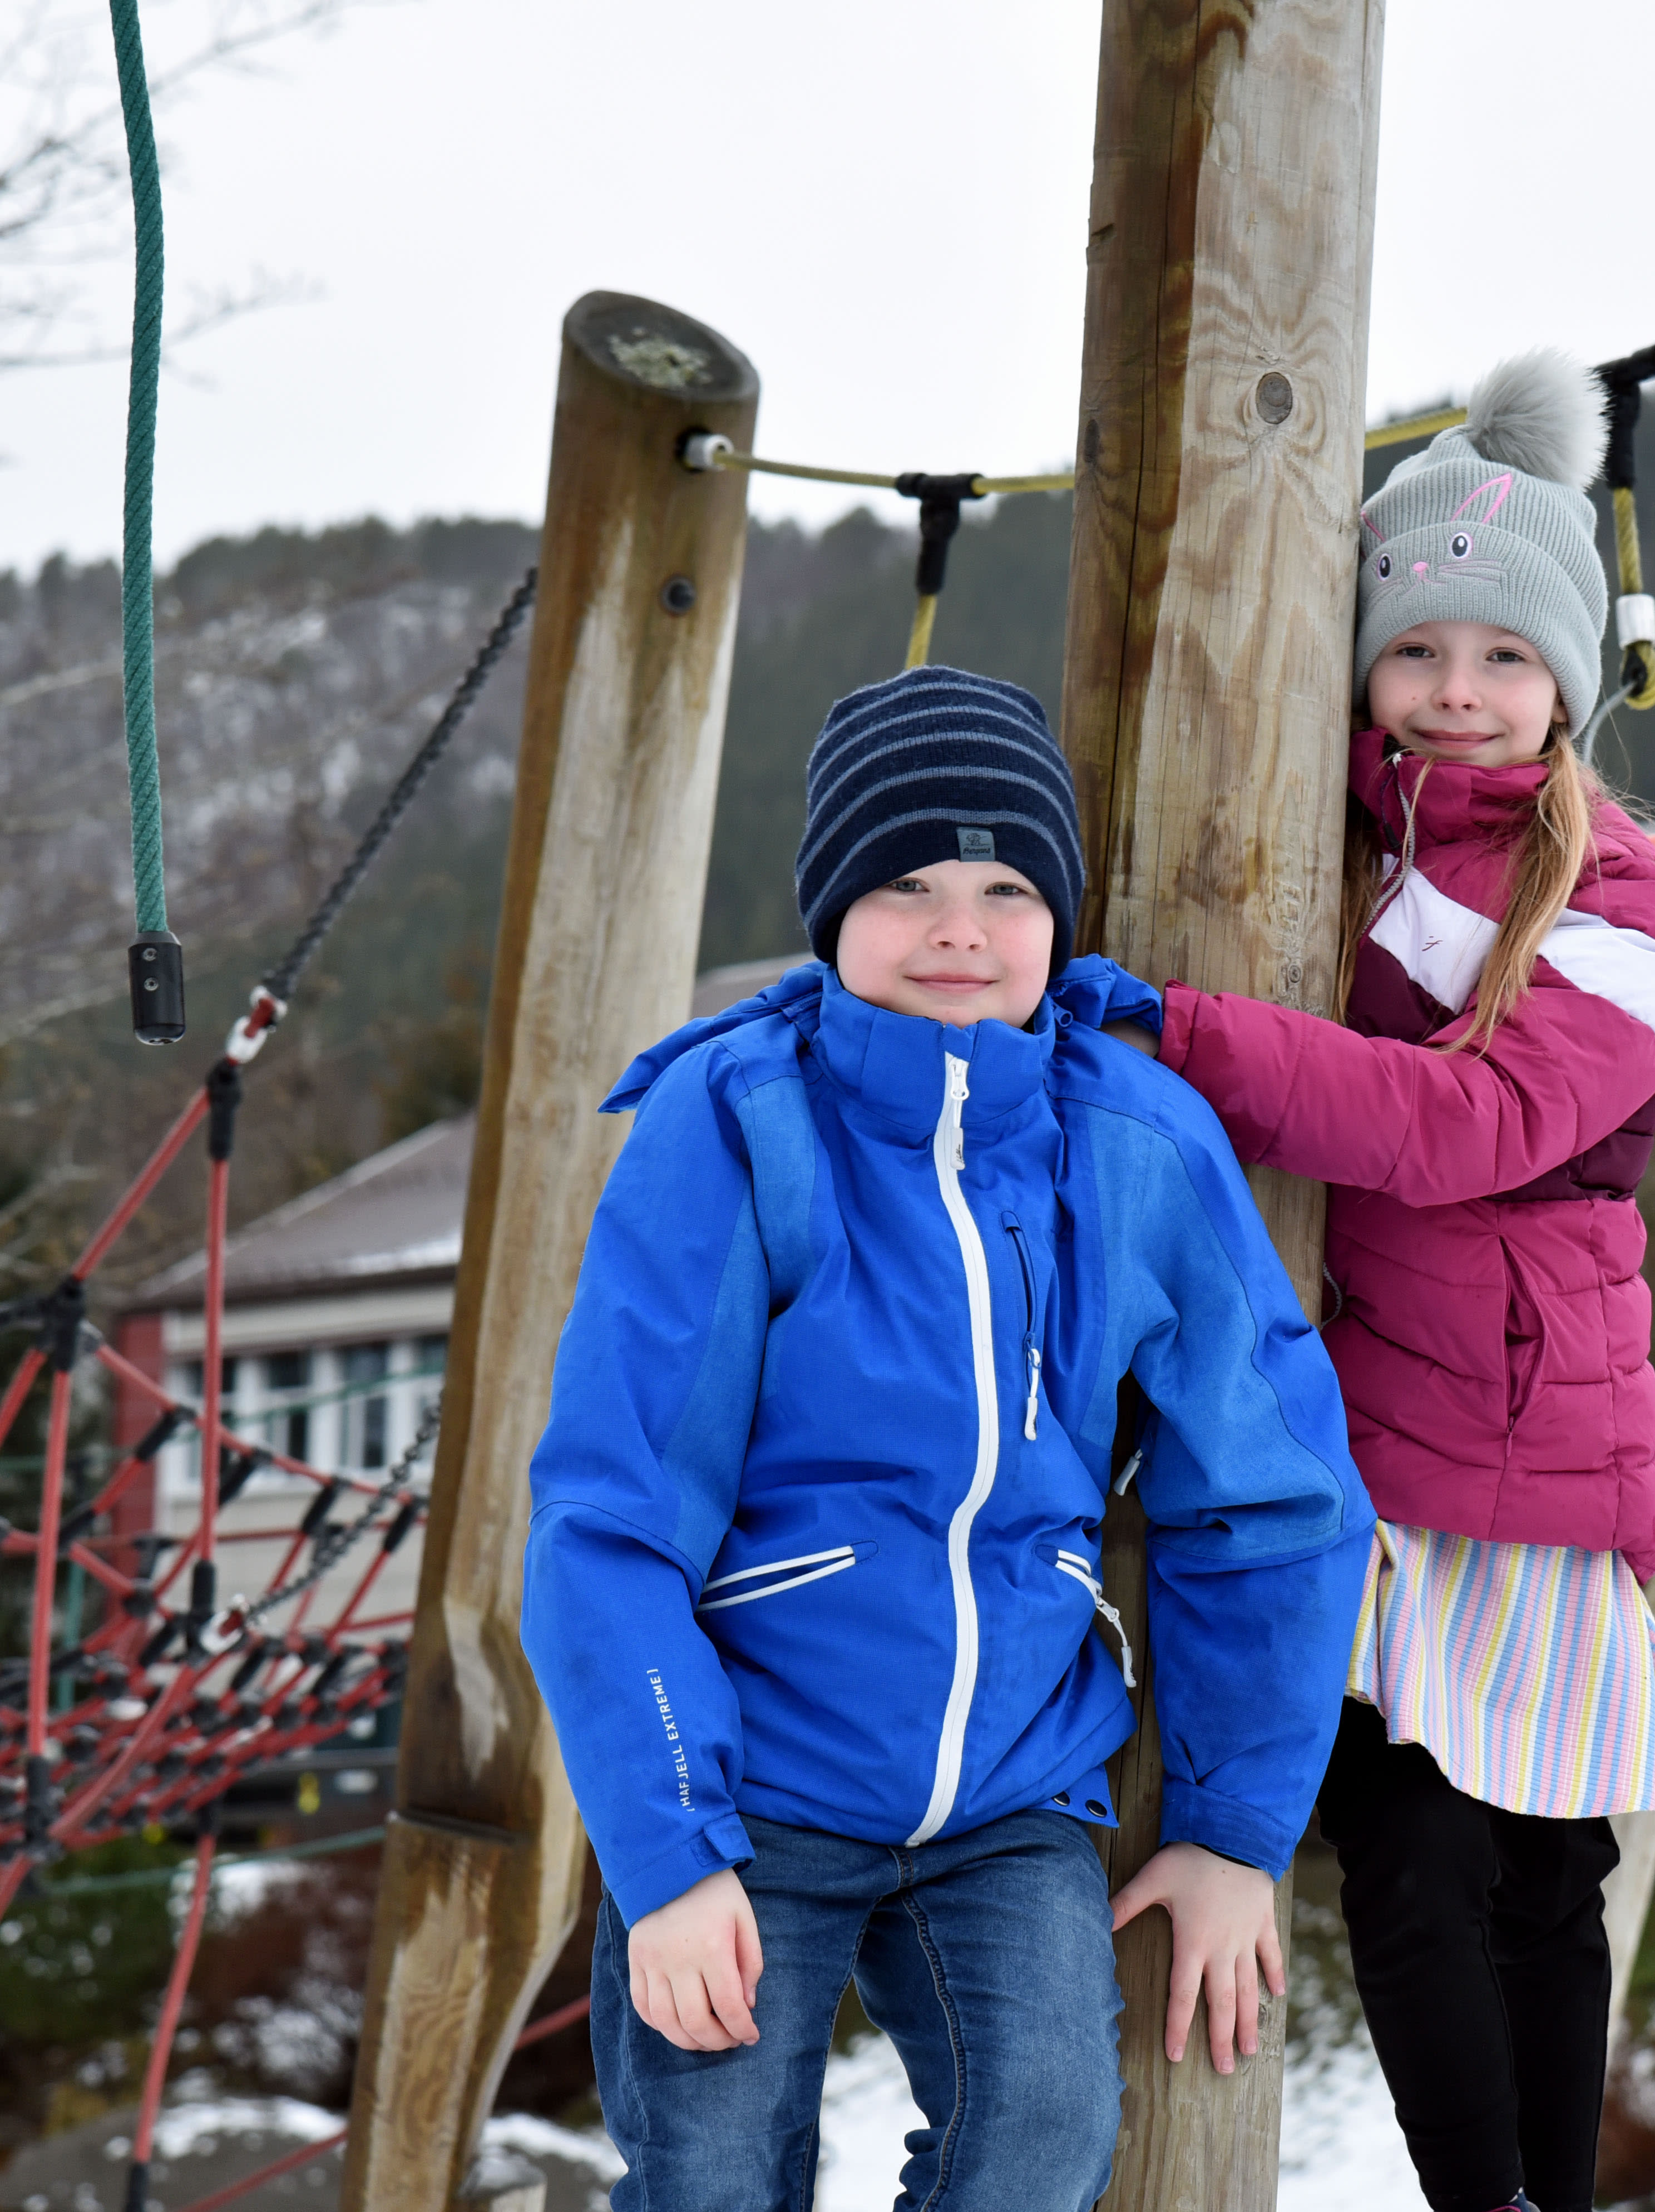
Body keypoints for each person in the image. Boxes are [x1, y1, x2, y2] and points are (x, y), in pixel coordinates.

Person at [522, 665, 1372, 2212]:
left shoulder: (1132, 1140)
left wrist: (1238, 1829)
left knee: (1045, 2129)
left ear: (1058, 916)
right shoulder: (738, 1125)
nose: (961, 930)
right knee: (710, 2165)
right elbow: (613, 1520)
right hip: (751, 1782)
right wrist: (667, 1856)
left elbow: (1272, 1497)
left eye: (1004, 888)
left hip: (1010, 1792)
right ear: (835, 910)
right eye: (907, 885)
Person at [1145, 350, 1655, 2212]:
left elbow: (1464, 1128)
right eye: (1419, 653)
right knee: (1401, 1846)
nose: (1459, 694)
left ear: (1566, 685)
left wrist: (1192, 1033)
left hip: (1529, 1440)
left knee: (1532, 1873)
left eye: (1505, 660)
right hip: (1370, 1432)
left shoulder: (1619, 904)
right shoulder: (1328, 839)